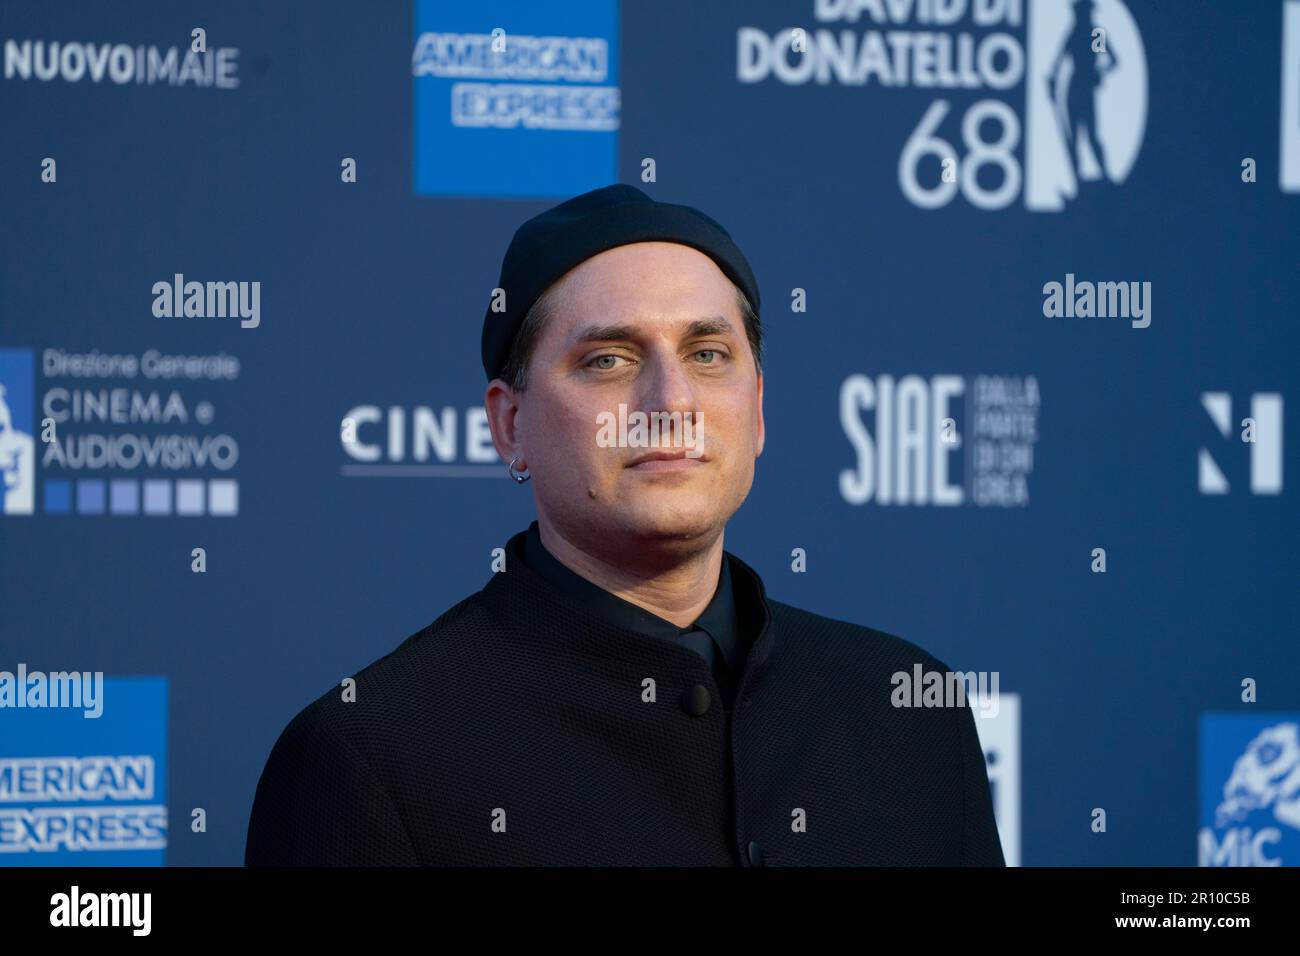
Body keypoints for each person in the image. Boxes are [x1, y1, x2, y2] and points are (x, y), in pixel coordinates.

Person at [245, 183, 1005, 866]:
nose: (671, 401)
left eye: (708, 354)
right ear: (510, 427)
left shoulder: (906, 707)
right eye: (608, 360)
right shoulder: (371, 758)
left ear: (759, 410)